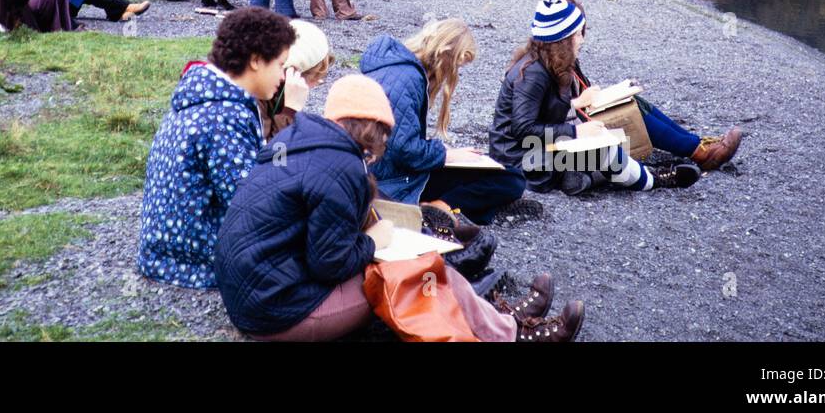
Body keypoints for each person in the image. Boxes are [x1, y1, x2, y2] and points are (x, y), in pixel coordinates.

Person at [215, 74, 584, 342]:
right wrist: (374, 243)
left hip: (253, 293)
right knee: (419, 272)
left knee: (419, 266)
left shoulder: (295, 141)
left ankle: (503, 320)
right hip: (278, 315)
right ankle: (514, 334)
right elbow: (328, 263)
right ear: (372, 130)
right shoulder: (341, 168)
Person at [489, 0, 742, 196]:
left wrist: (578, 108)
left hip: (536, 150)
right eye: (578, 33)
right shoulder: (533, 74)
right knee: (607, 152)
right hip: (522, 159)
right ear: (564, 39)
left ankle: (583, 176)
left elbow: (541, 112)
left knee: (622, 119)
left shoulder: (551, 63)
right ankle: (655, 179)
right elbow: (521, 130)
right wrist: (576, 130)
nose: (582, 39)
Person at [138, 7, 299, 288]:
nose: (283, 77)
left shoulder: (205, 96)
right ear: (257, 60)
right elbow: (255, 204)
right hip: (194, 260)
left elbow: (257, 172)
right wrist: (291, 117)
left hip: (165, 249)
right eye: (281, 65)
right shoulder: (224, 116)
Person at [361, 19, 527, 225]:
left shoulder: (398, 69)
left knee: (502, 172)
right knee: (509, 179)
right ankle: (441, 206)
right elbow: (405, 151)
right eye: (457, 65)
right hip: (393, 180)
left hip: (389, 171)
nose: (454, 73)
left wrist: (445, 154)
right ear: (445, 55)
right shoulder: (406, 78)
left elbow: (400, 139)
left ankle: (448, 204)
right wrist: (446, 155)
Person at [260, 19, 332, 140]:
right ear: (294, 74)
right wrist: (290, 111)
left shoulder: (275, 90)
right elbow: (276, 154)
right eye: (316, 77)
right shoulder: (258, 96)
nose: (318, 83)